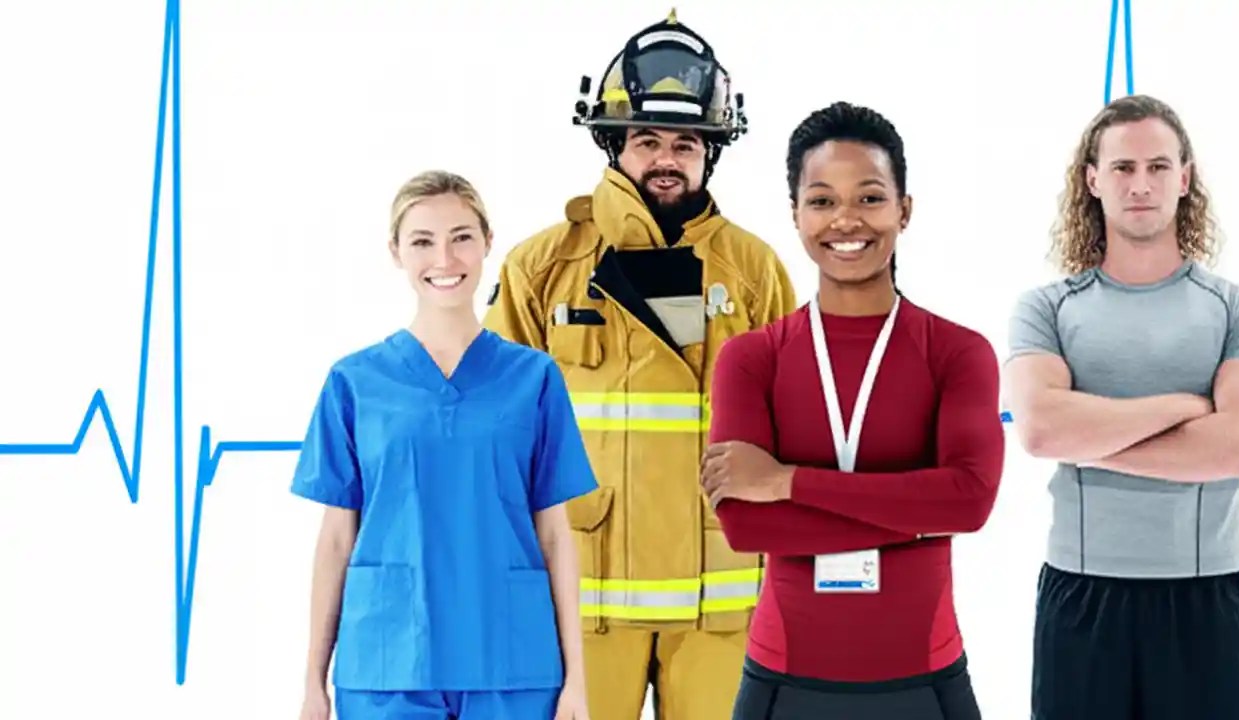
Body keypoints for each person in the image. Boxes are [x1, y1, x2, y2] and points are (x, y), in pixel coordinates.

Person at [481, 10, 796, 720]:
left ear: (710, 152)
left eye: (686, 143)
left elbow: (795, 430)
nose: (665, 158)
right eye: (646, 139)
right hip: (584, 595)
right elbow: (496, 439)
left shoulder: (753, 271)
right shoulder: (542, 267)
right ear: (611, 143)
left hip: (720, 596)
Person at [699, 102, 1005, 719]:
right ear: (795, 215)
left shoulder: (958, 352)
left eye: (869, 198)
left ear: (904, 210)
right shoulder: (750, 358)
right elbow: (747, 527)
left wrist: (786, 482)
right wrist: (918, 515)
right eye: (821, 200)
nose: (846, 220)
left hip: (925, 682)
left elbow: (969, 503)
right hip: (783, 685)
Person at [1004, 94, 1239, 720]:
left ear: (1185, 179)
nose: (1141, 185)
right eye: (1123, 168)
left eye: (1158, 167)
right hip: (1081, 601)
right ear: (1092, 180)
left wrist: (1093, 434)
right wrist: (1186, 406)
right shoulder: (1046, 308)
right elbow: (1043, 431)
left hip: (1205, 600)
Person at [291, 170, 598, 720]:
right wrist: (313, 683)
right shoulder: (355, 382)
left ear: (486, 243)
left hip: (511, 664)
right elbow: (336, 540)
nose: (445, 258)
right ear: (396, 253)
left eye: (461, 237)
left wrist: (576, 679)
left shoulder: (534, 378)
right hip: (389, 665)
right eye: (423, 241)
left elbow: (556, 534)